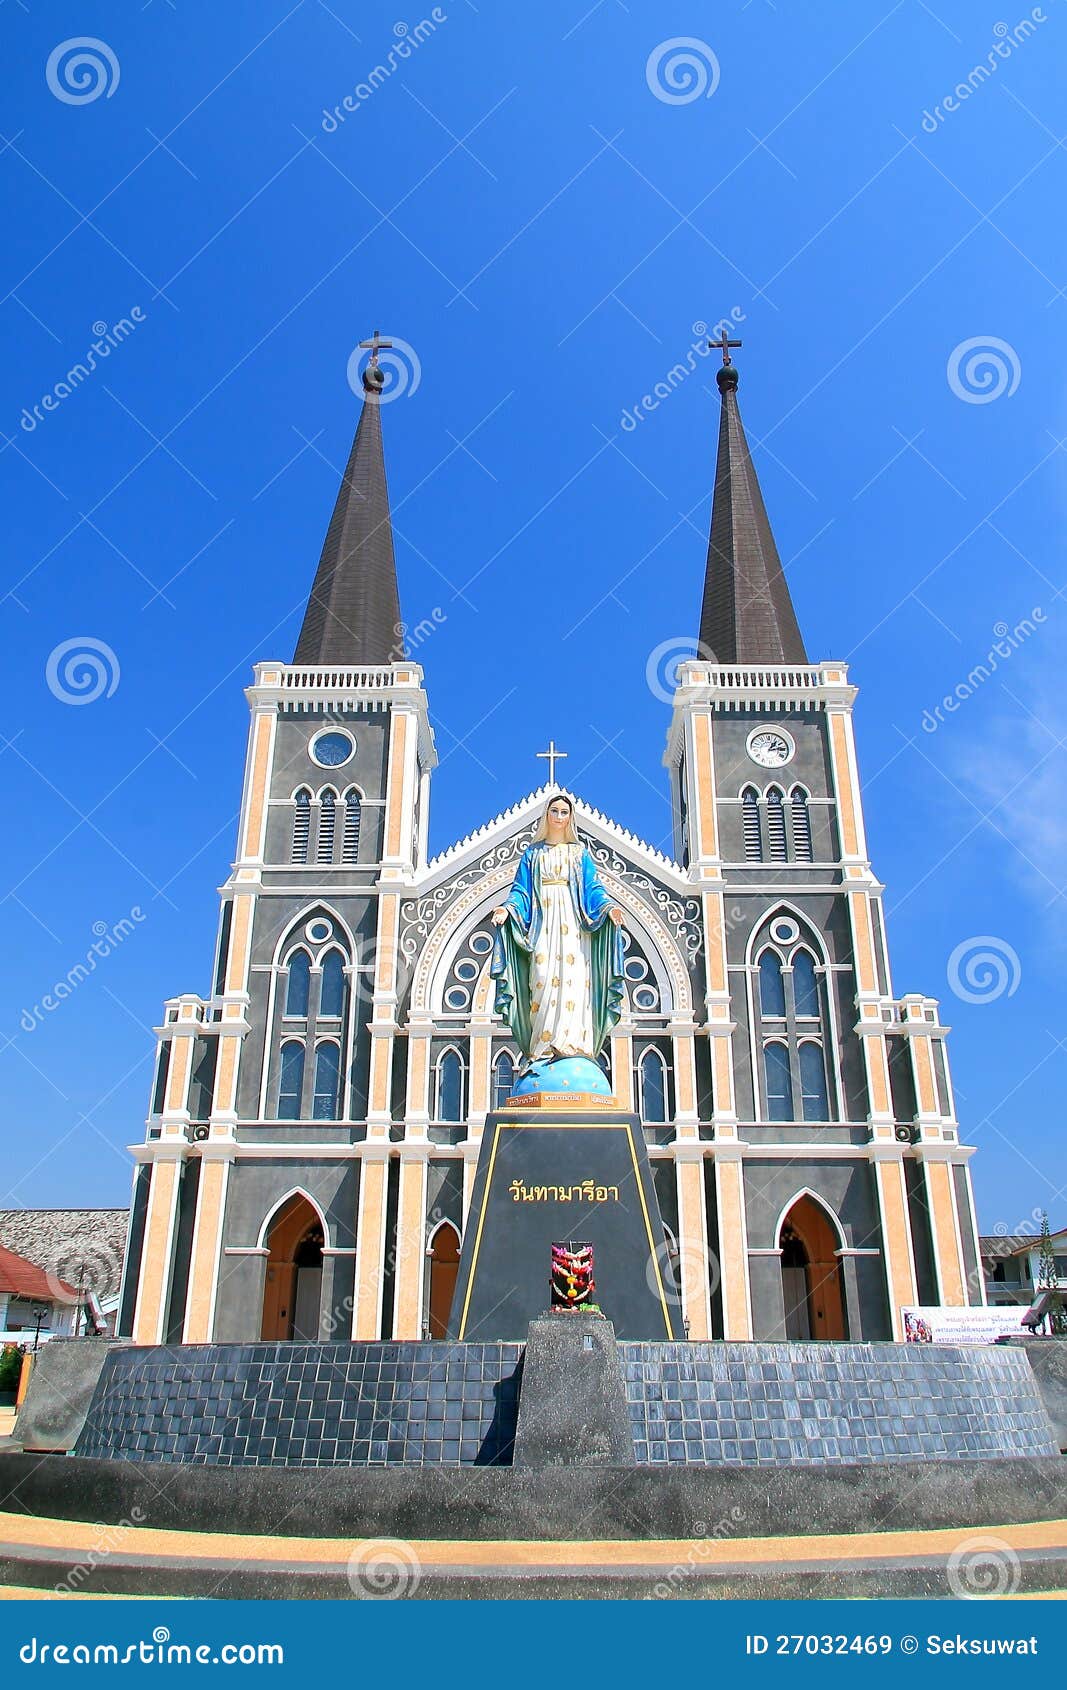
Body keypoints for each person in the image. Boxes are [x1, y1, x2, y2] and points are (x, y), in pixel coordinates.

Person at [490, 794, 625, 1067]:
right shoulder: (533, 854)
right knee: (542, 975)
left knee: (573, 980)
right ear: (547, 815)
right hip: (543, 924)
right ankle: (542, 1046)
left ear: (570, 817)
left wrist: (608, 907)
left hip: (573, 927)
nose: (559, 816)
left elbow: (593, 888)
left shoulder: (579, 854)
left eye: (564, 812)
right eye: (555, 811)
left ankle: (573, 1043)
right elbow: (521, 891)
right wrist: (507, 909)